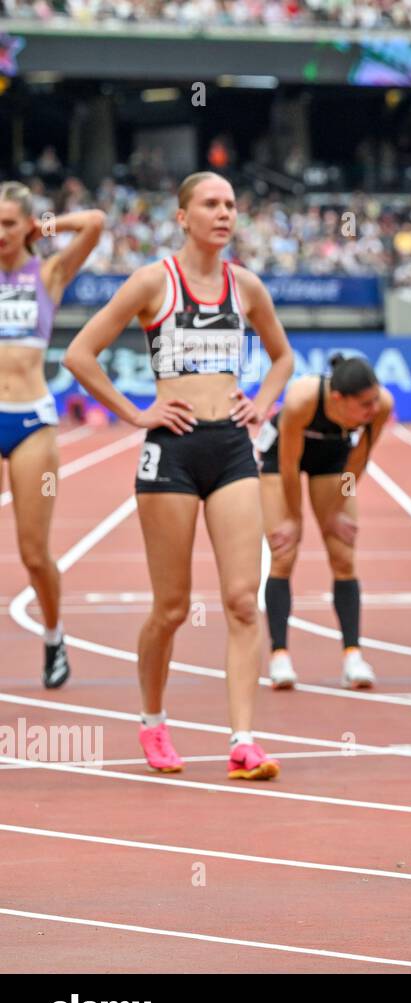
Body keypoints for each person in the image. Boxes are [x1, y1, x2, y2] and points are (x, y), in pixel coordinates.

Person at [64, 171, 294, 781]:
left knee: (244, 601)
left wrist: (264, 402)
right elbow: (79, 354)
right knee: (171, 606)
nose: (224, 214)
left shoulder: (245, 286)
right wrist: (138, 412)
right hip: (171, 450)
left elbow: (283, 356)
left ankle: (243, 741)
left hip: (232, 449)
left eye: (231, 205)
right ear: (183, 216)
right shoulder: (151, 283)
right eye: (211, 204)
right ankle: (152, 720)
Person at [0, 182, 105, 688]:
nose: (1, 233)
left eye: (9, 223)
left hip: (30, 421)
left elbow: (96, 224)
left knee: (33, 552)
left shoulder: (48, 272)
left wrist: (47, 226)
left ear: (27, 226)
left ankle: (53, 635)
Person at [256, 354, 393, 689]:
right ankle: (279, 656)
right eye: (364, 404)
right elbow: (289, 465)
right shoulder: (303, 398)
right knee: (284, 550)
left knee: (343, 552)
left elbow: (358, 461)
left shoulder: (382, 405)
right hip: (282, 456)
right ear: (338, 400)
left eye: (375, 399)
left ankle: (352, 656)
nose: (373, 408)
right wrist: (294, 518)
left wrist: (334, 511)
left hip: (334, 458)